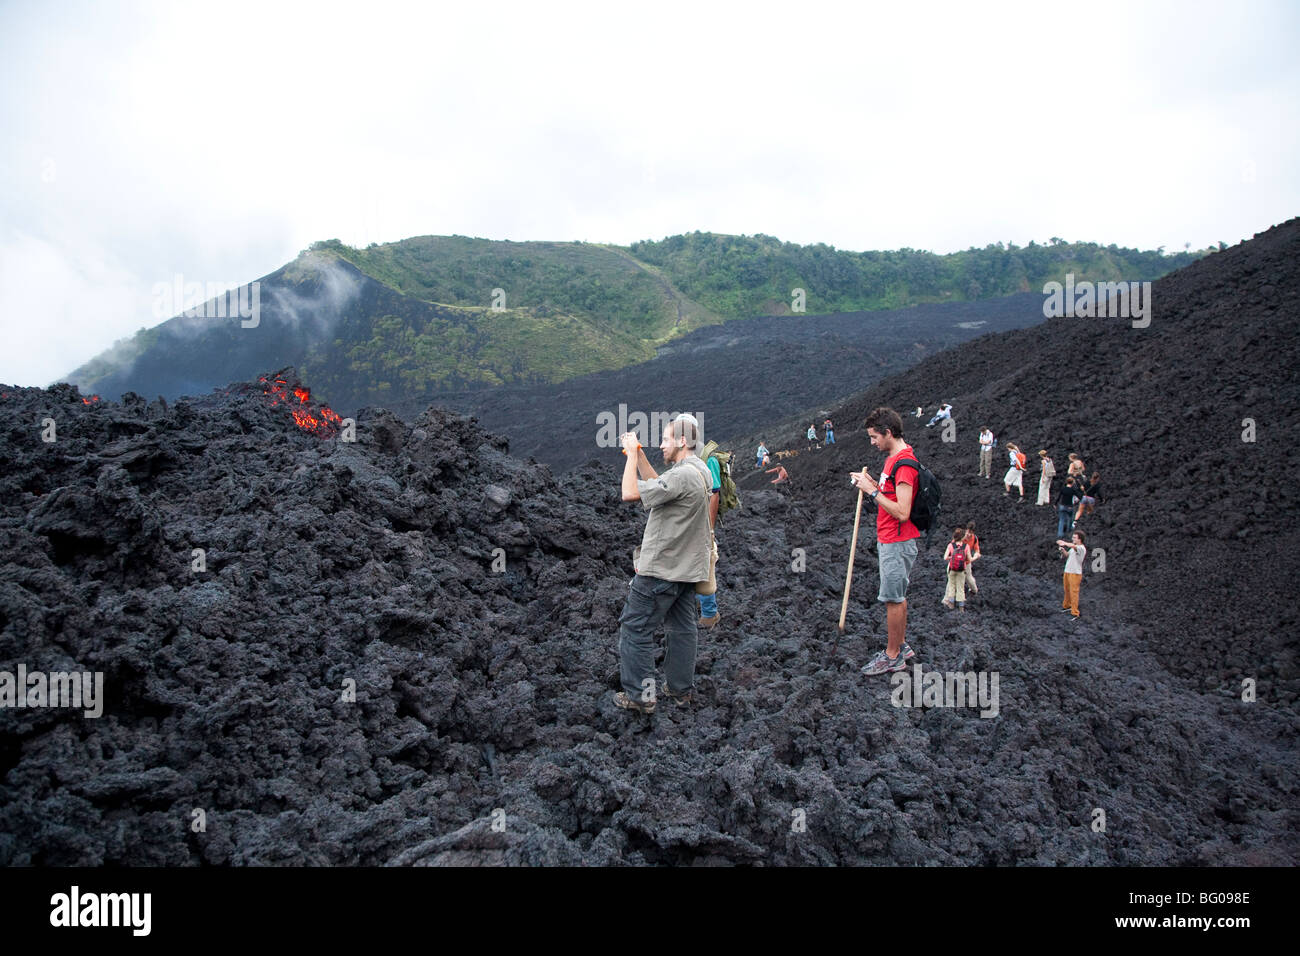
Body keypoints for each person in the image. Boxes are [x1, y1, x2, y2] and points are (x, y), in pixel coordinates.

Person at [613, 414, 713, 713]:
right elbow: (661, 485)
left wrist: (631, 457)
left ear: (683, 441)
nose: (661, 445)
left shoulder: (682, 475)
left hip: (661, 569)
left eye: (666, 439)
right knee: (682, 629)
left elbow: (629, 493)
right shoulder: (699, 470)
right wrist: (642, 456)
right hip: (686, 571)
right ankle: (680, 691)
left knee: (635, 628)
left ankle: (640, 697)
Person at [850, 407, 920, 676]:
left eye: (874, 437)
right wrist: (870, 484)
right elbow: (888, 495)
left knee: (892, 598)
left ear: (888, 433)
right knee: (897, 597)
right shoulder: (894, 459)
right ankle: (901, 645)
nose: (872, 442)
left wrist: (872, 491)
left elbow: (902, 510)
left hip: (897, 541)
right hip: (892, 539)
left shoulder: (903, 464)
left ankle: (892, 655)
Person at [696, 441, 724, 630]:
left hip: (702, 525)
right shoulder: (687, 458)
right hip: (691, 523)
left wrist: (710, 528)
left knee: (704, 567)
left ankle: (709, 614)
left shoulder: (708, 459)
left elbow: (714, 494)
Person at [1056, 530, 1086, 619]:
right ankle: (1067, 606)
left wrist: (1064, 543)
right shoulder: (1073, 548)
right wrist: (1063, 550)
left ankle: (1075, 612)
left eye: (1074, 537)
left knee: (1074, 592)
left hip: (1075, 573)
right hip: (1068, 571)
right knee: (1067, 590)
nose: (1073, 539)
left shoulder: (1081, 548)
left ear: (1079, 539)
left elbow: (1072, 546)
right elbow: (1067, 555)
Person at [942, 527, 969, 611]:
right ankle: (961, 608)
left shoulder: (950, 545)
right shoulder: (966, 546)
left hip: (952, 569)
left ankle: (951, 605)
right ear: (962, 537)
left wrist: (952, 557)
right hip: (961, 570)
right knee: (960, 588)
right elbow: (969, 559)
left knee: (951, 586)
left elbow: (945, 557)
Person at [962, 521, 981, 595]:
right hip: (957, 561)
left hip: (967, 562)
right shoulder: (960, 536)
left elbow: (977, 549)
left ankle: (974, 591)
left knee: (969, 578)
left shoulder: (974, 538)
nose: (969, 534)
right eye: (968, 531)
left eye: (971, 532)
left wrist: (976, 554)